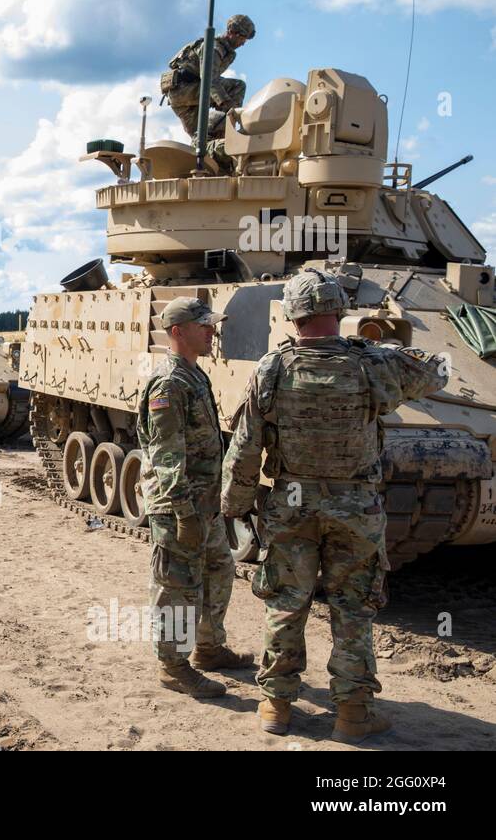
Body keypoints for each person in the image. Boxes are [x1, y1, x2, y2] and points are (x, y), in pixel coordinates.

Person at [221, 268, 449, 743]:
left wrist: (235, 503)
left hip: (291, 505)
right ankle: (353, 713)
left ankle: (276, 706)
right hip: (356, 507)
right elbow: (437, 371)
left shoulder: (273, 368)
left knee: (286, 604)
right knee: (353, 608)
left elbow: (245, 446)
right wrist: (374, 347)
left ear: (292, 314)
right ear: (338, 312)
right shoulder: (373, 365)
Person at [138, 296, 255, 699]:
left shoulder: (193, 375)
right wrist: (183, 511)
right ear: (177, 333)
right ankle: (173, 666)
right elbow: (166, 454)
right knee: (178, 585)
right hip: (180, 506)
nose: (212, 332)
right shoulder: (169, 383)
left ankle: (209, 647)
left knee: (218, 572)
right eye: (204, 326)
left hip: (204, 502)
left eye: (212, 325)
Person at [162, 14, 255, 143]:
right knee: (238, 86)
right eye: (242, 38)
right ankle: (232, 129)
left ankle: (223, 137)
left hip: (180, 96)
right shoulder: (214, 48)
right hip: (184, 90)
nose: (243, 43)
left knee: (202, 138)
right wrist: (230, 109)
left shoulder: (224, 50)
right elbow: (210, 79)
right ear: (231, 32)